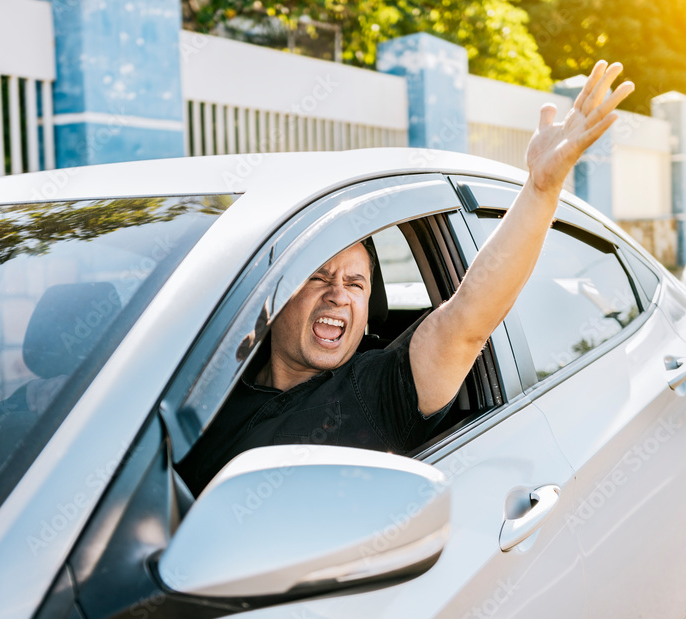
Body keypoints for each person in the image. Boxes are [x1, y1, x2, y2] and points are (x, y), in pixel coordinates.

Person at [177, 61, 634, 495]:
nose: (339, 294)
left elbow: (466, 323)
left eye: (355, 283)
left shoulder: (372, 391)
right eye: (319, 277)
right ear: (276, 297)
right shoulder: (207, 383)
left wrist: (540, 189)